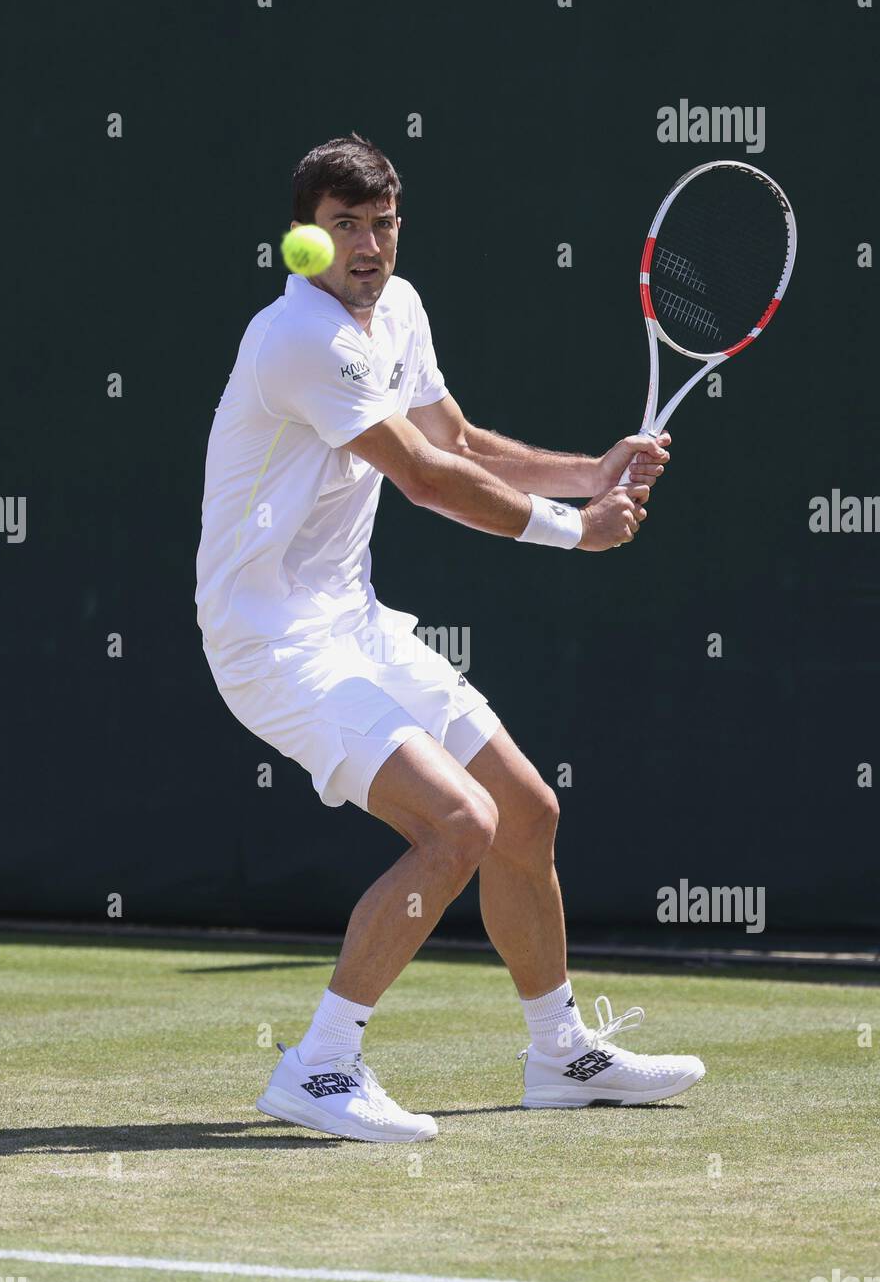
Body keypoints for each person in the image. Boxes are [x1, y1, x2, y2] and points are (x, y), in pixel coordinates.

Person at [195, 132, 704, 1143]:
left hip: (355, 621)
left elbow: (460, 444)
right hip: (270, 642)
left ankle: (559, 1055)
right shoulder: (301, 337)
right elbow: (423, 479)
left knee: (524, 809)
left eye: (383, 223)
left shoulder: (401, 310)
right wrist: (574, 530)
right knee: (457, 823)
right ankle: (320, 1064)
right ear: (304, 239)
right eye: (346, 227)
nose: (370, 245)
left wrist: (586, 472)